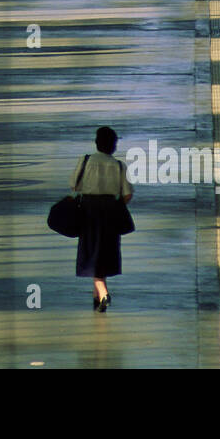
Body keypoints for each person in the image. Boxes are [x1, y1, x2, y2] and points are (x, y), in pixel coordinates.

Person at [70, 126, 134, 312]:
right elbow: (128, 195)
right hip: (111, 212)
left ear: (97, 143)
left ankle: (103, 294)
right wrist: (116, 205)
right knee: (104, 254)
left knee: (91, 255)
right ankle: (97, 299)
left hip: (88, 211)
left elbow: (74, 185)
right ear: (113, 146)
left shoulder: (85, 160)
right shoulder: (119, 166)